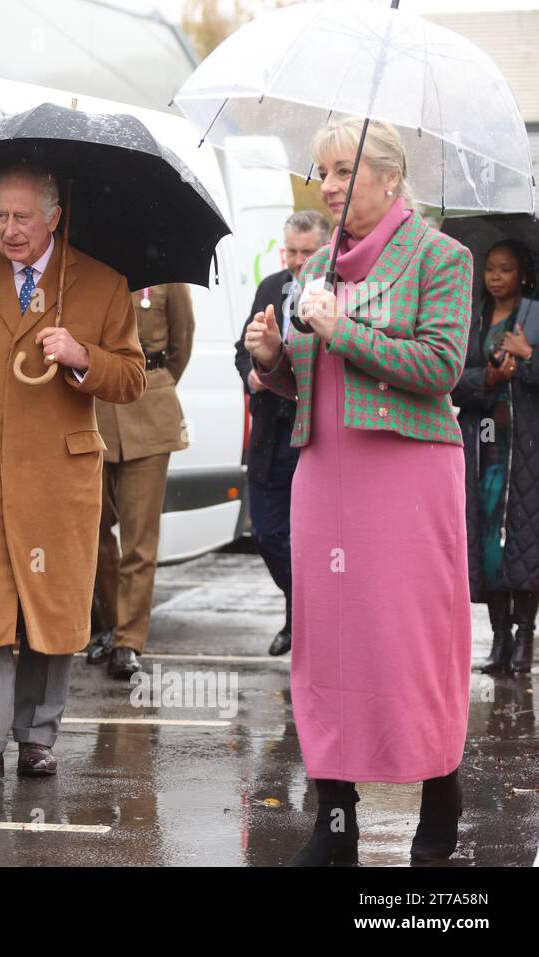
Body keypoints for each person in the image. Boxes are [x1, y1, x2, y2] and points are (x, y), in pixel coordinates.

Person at [244, 117, 473, 865]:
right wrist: (276, 360)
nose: (331, 186)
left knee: (407, 643)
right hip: (326, 475)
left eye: (344, 170)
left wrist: (342, 330)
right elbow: (309, 377)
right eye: (324, 172)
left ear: (390, 179)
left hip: (406, 477)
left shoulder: (443, 258)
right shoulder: (317, 270)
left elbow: (441, 366)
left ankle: (440, 795)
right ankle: (334, 814)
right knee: (328, 645)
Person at [0, 163, 145, 781]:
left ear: (54, 216)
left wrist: (81, 357)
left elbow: (131, 378)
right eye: (0, 216)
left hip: (58, 474)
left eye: (23, 217)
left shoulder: (102, 283)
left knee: (51, 607)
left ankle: (38, 736)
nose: (10, 230)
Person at [233, 210, 331, 657]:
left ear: (325, 249)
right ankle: (302, 606)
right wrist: (253, 371)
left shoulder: (336, 291)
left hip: (312, 431)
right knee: (267, 533)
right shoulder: (271, 286)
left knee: (311, 537)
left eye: (306, 252)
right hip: (270, 431)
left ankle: (306, 621)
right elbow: (244, 347)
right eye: (290, 251)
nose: (296, 261)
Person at [86, 282, 194, 678]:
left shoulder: (168, 276)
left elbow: (182, 340)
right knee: (92, 530)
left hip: (148, 409)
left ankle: (129, 642)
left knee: (139, 538)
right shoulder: (89, 268)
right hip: (93, 410)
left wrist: (156, 383)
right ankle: (111, 625)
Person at [451, 239, 539, 675]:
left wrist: (527, 360)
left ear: (523, 273)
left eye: (506, 269)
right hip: (483, 444)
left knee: (524, 538)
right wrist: (486, 376)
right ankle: (498, 638)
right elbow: (449, 376)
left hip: (526, 447)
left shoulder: (535, 317)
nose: (496, 276)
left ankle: (525, 637)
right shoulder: (472, 318)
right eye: (490, 268)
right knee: (488, 543)